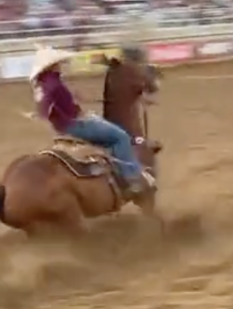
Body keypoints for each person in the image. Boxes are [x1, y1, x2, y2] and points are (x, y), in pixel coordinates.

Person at [29, 46, 154, 196]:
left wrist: (40, 114)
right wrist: (84, 114)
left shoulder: (43, 83)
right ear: (52, 65)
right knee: (120, 137)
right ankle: (131, 178)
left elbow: (47, 107)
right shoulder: (55, 85)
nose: (62, 65)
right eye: (59, 63)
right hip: (74, 125)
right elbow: (69, 110)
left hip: (62, 126)